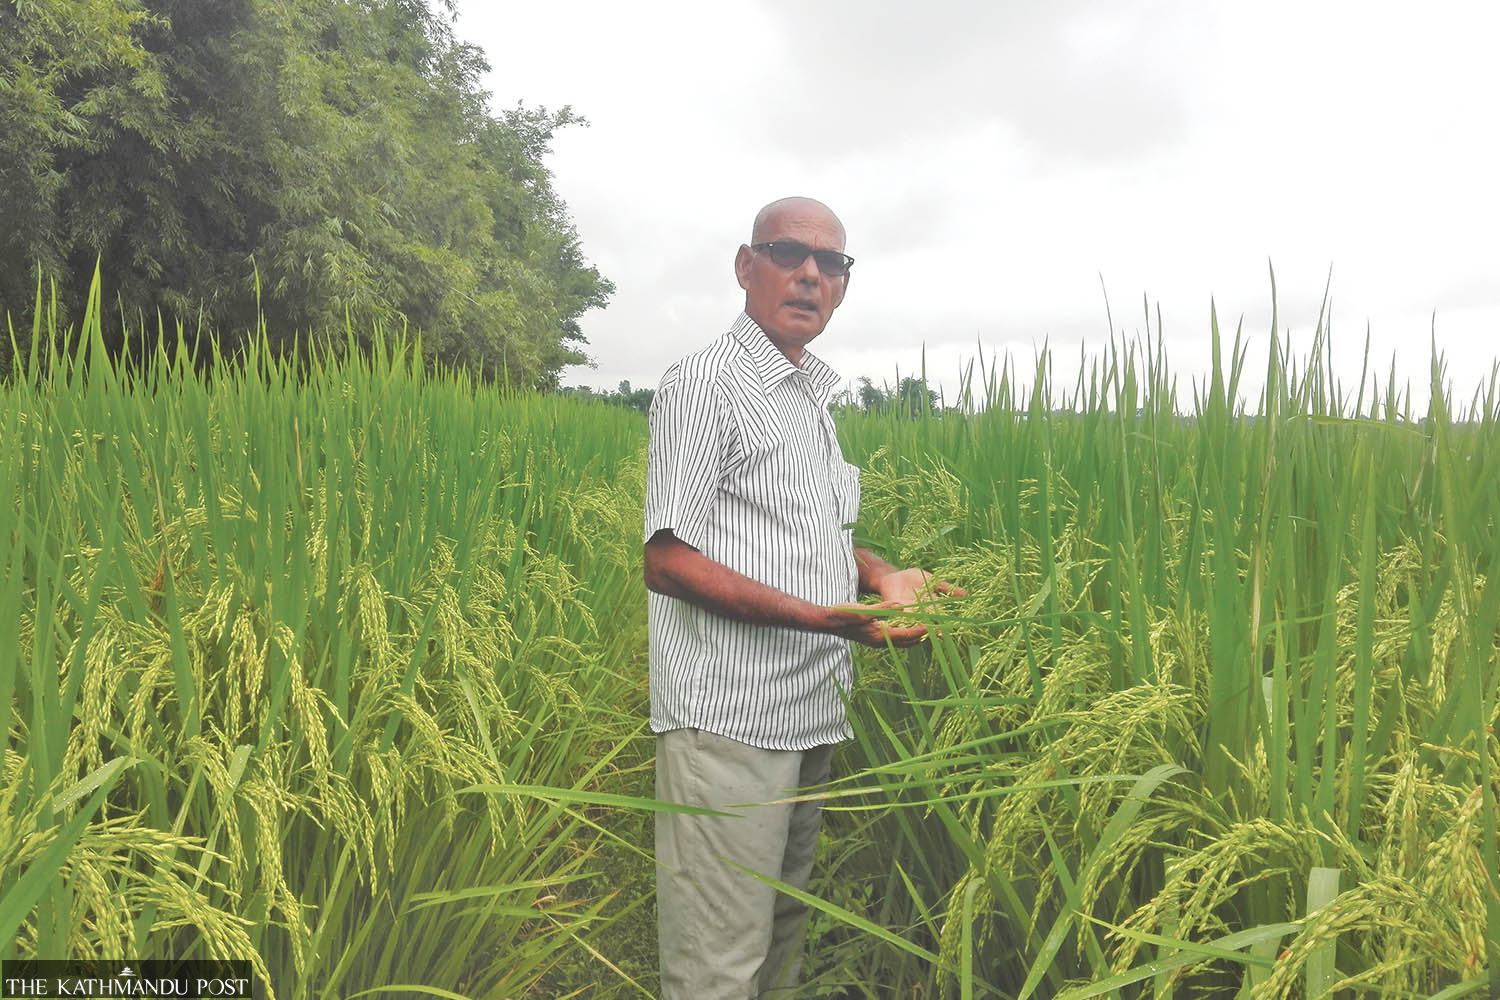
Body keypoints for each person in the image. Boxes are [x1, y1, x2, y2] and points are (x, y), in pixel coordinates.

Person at [642, 195, 963, 998]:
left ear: (845, 288)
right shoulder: (705, 385)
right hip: (730, 721)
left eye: (832, 265)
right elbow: (668, 559)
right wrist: (831, 621)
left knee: (780, 939)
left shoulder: (807, 396)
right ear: (747, 267)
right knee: (718, 962)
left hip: (810, 708)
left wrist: (882, 578)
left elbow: (813, 529)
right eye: (790, 254)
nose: (811, 276)